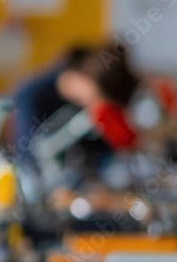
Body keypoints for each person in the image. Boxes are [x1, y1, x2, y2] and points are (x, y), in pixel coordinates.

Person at [11, 42, 140, 173]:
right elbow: (28, 163)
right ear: (82, 79)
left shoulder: (80, 103)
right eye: (92, 99)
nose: (90, 105)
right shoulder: (30, 98)